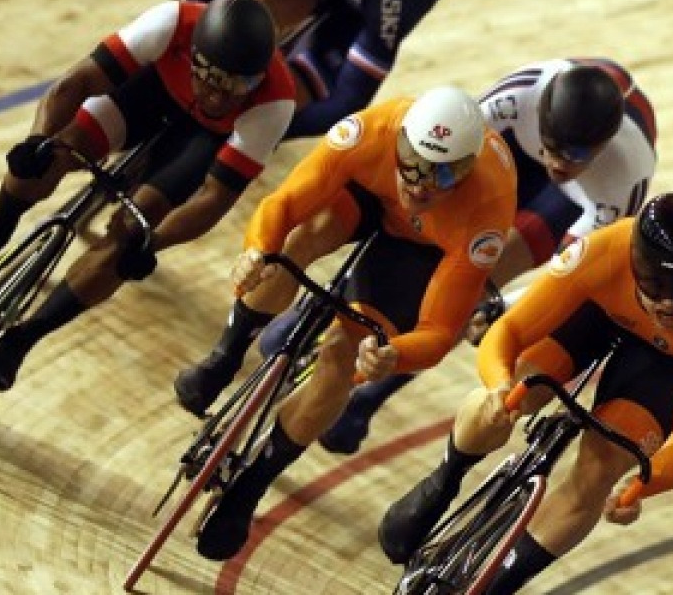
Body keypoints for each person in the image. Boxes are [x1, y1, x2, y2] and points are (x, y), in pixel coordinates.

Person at [180, 85, 518, 561]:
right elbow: (284, 203)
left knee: (342, 351)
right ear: (400, 142)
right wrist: (258, 249)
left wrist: (393, 354)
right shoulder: (370, 132)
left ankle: (251, 486)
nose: (422, 185)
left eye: (443, 175)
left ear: (465, 170)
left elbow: (440, 330)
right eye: (416, 166)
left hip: (422, 251)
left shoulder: (489, 207)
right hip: (366, 197)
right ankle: (227, 351)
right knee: (298, 242)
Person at [376, 192, 673, 593]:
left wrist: (642, 485)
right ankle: (446, 477)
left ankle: (497, 584)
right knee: (515, 394)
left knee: (599, 471)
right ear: (635, 265)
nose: (668, 303)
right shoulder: (604, 250)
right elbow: (508, 332)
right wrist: (499, 382)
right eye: (656, 286)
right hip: (599, 312)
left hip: (668, 363)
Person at [0, 0, 295, 392]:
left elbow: (213, 198)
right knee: (56, 151)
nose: (217, 96)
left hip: (200, 140)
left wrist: (152, 243)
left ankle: (23, 338)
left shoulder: (275, 103)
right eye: (210, 78)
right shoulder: (171, 23)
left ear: (257, 80)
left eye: (235, 87)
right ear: (192, 53)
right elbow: (75, 83)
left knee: (129, 237)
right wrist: (37, 142)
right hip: (149, 92)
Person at [320, 57, 659, 454]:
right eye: (552, 149)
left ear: (601, 147)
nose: (557, 163)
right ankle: (336, 297)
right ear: (543, 124)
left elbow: (571, 278)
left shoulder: (627, 175)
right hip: (511, 151)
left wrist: (501, 305)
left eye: (574, 157)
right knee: (434, 222)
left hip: (579, 201)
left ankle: (367, 400)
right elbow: (441, 160)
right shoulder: (519, 98)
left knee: (475, 294)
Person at [184, 0, 451, 140]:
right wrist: (182, 21)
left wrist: (266, 129)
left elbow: (347, 100)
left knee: (288, 95)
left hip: (356, 17)